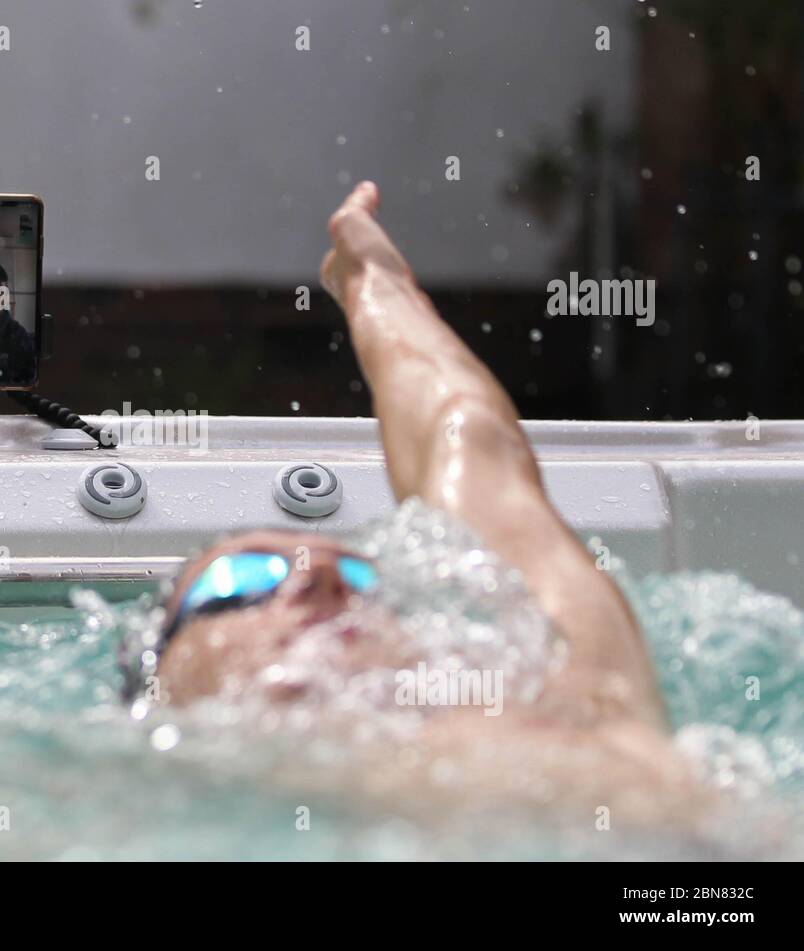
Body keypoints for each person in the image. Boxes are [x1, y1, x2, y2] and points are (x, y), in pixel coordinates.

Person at [132, 182, 719, 832]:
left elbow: (470, 438)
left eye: (362, 579)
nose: (316, 578)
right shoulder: (100, 798)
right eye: (243, 582)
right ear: (161, 691)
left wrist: (376, 286)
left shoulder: (578, 697)